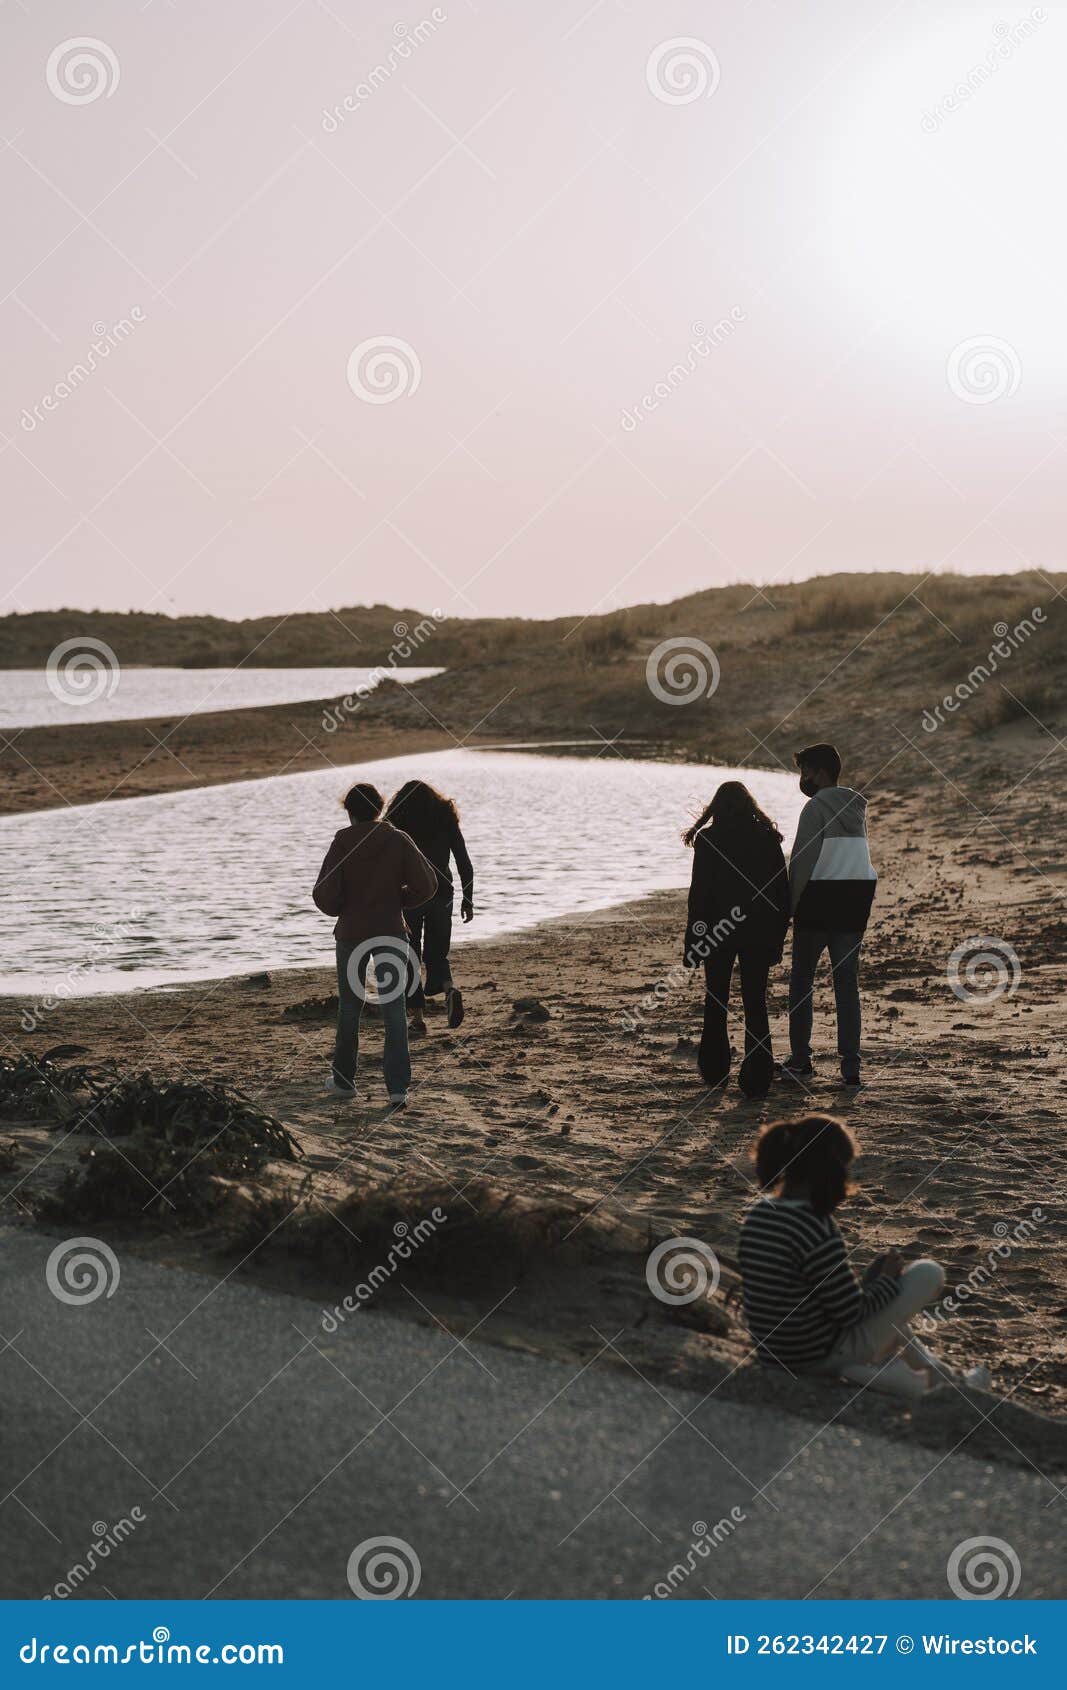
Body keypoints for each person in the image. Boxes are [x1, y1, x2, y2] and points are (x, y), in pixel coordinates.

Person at [738, 1114, 990, 1397]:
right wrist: (886, 1281)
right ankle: (915, 1379)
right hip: (817, 1355)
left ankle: (941, 1379)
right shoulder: (814, 1225)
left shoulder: (759, 1213)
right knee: (928, 1273)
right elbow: (849, 1313)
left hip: (775, 1354)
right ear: (830, 1168)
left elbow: (807, 1295)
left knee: (892, 1317)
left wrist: (872, 1283)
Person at [312, 782, 437, 1106]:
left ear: (350, 811)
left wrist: (342, 908)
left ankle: (344, 1081)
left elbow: (323, 893)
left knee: (349, 1008)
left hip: (352, 932)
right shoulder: (397, 838)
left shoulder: (342, 841)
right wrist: (401, 900)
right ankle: (397, 1089)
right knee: (394, 1009)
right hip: (389, 930)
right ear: (379, 808)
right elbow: (428, 884)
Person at [683, 781, 790, 1099]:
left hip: (717, 932)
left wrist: (694, 942)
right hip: (758, 931)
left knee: (715, 999)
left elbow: (699, 896)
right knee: (755, 1002)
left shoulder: (709, 839)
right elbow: (780, 895)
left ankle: (715, 1072)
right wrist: (777, 937)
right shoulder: (768, 839)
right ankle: (757, 1079)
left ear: (716, 808)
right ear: (750, 806)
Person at [782, 743, 876, 1089]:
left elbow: (802, 862)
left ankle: (801, 1061)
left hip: (818, 905)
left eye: (805, 771)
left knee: (802, 982)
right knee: (847, 986)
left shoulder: (815, 808)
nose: (802, 779)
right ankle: (851, 1068)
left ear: (820, 773)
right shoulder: (856, 808)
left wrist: (789, 908)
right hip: (852, 906)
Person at [383, 779, 474, 1035]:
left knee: (410, 955)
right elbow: (463, 861)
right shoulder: (445, 818)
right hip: (443, 893)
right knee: (438, 953)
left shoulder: (397, 822)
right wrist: (468, 898)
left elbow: (387, 865)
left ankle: (418, 1019)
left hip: (410, 895)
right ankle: (449, 990)